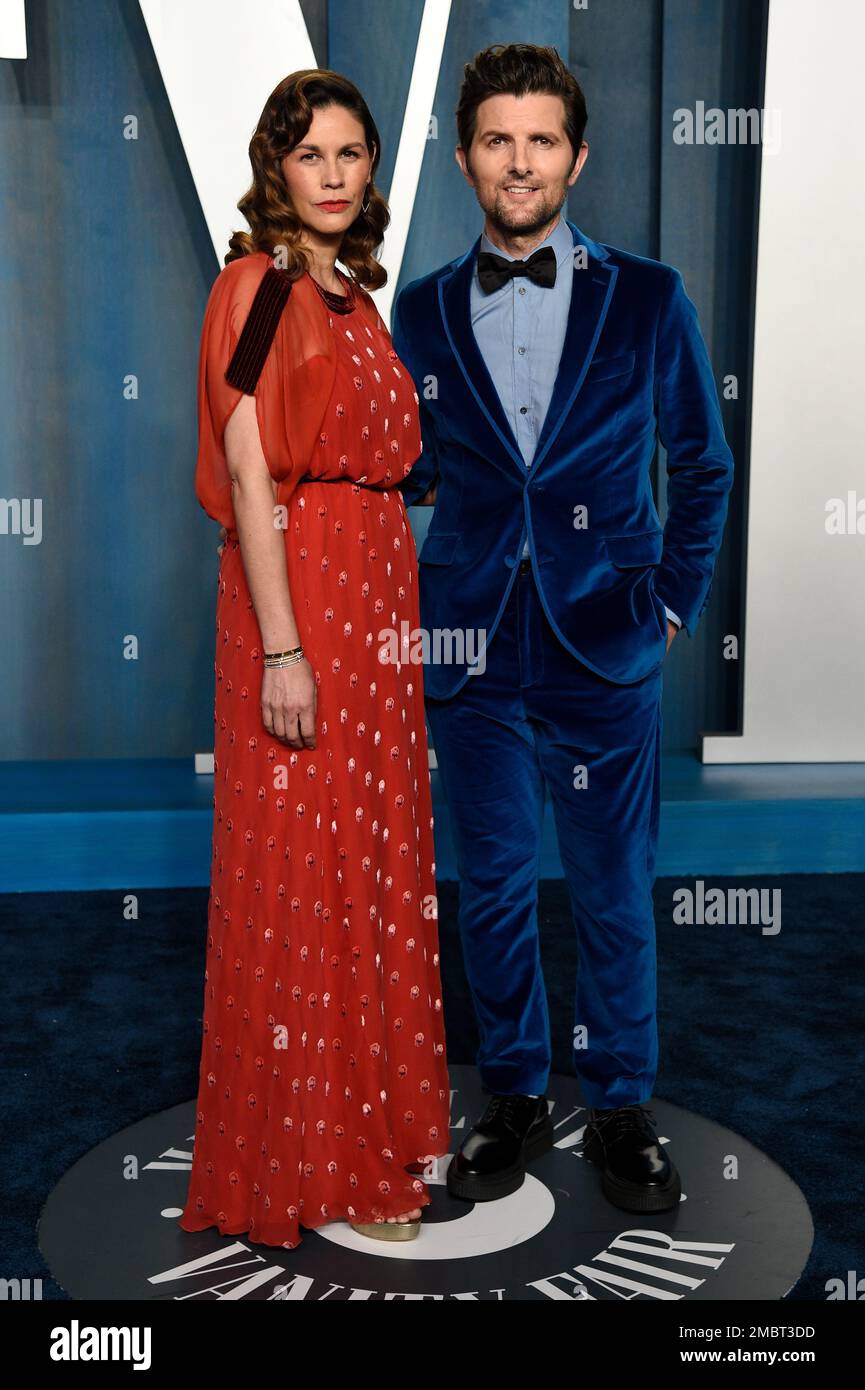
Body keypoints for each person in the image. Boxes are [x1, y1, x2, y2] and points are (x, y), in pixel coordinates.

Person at [392, 43, 734, 1213]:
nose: (519, 161)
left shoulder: (647, 296)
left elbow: (702, 464)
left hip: (606, 642)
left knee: (610, 885)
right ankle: (514, 1093)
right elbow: (410, 473)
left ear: (576, 156)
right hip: (472, 648)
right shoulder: (425, 306)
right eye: (497, 139)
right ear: (463, 157)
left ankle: (623, 1098)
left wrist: (672, 603)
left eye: (541, 139)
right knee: (486, 882)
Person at [179, 68, 451, 1250]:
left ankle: (381, 1125)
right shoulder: (253, 286)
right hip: (298, 596)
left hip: (378, 593)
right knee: (307, 867)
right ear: (274, 167)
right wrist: (282, 650)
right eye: (311, 156)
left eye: (352, 156)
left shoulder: (354, 295)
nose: (334, 177)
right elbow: (248, 477)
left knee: (376, 857)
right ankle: (316, 1157)